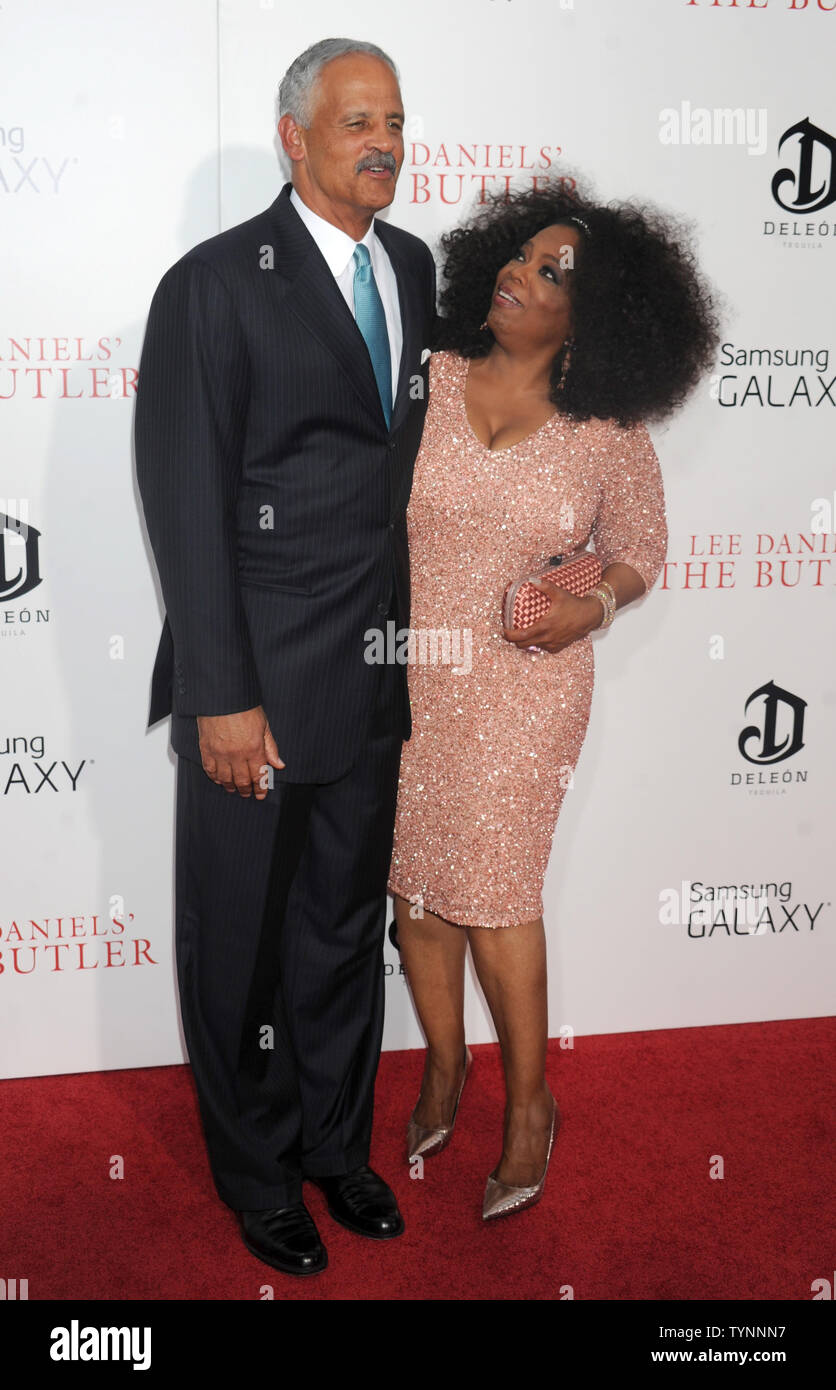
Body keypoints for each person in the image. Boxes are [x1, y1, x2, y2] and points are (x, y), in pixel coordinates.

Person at [135, 37, 436, 1276]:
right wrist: (220, 694)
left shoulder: (412, 268)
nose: (382, 143)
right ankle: (257, 1172)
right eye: (356, 120)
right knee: (243, 943)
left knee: (335, 929)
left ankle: (332, 1145)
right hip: (252, 689)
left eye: (397, 122)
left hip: (370, 675)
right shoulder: (213, 284)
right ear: (292, 136)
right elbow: (186, 496)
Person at [387, 185, 719, 1220]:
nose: (517, 274)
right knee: (412, 895)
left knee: (493, 893)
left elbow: (639, 554)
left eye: (549, 272)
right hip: (402, 672)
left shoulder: (605, 429)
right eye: (519, 256)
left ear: (597, 314)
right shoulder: (426, 381)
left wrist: (587, 610)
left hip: (525, 692)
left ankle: (529, 1105)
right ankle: (445, 1069)